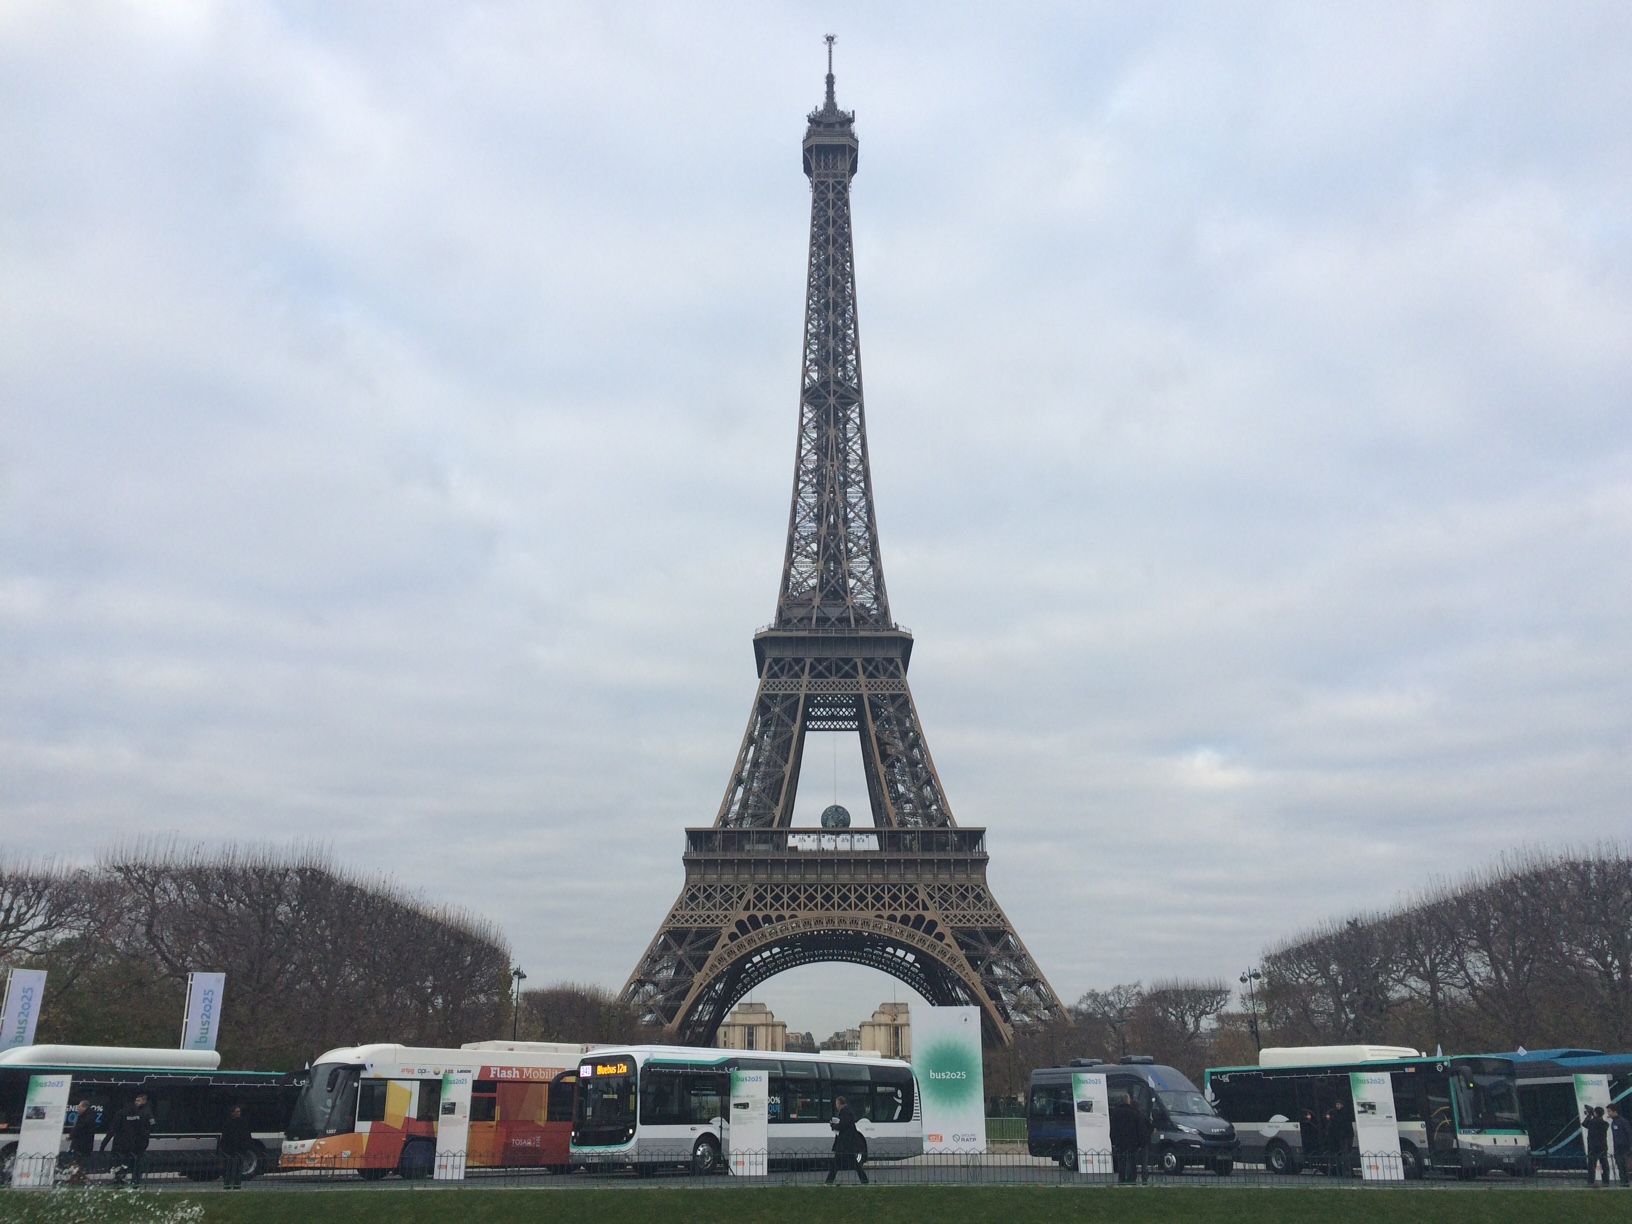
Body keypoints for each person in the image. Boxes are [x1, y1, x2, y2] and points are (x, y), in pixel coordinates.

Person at [105, 1092, 155, 1186]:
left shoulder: (146, 1112)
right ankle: (126, 1179)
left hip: (140, 1142)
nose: (136, 1102)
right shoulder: (136, 1111)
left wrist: (144, 1135)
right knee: (128, 1161)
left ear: (144, 1101)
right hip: (134, 1142)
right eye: (136, 1100)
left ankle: (134, 1180)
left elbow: (150, 1125)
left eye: (138, 1100)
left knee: (136, 1162)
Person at [825, 1094, 868, 1184]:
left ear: (840, 1104)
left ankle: (828, 1182)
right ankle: (864, 1180)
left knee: (836, 1163)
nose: (836, 1106)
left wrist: (834, 1125)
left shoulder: (845, 1112)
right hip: (846, 1143)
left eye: (837, 1104)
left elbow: (843, 1125)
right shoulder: (847, 1111)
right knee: (853, 1164)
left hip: (845, 1143)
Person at [218, 1103, 253, 1190]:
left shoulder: (243, 1123)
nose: (238, 1113)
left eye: (239, 1112)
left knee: (238, 1168)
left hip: (240, 1149)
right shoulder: (228, 1123)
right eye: (237, 1112)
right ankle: (227, 1185)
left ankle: (237, 1185)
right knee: (228, 1168)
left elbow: (247, 1136)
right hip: (230, 1150)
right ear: (232, 1113)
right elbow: (225, 1137)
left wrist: (245, 1147)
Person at [1109, 1091, 1142, 1184]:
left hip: (1120, 1140)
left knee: (1121, 1160)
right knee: (1132, 1161)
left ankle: (1121, 1178)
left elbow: (1113, 1127)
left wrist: (1113, 1140)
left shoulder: (1116, 1112)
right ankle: (1131, 1178)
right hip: (1132, 1140)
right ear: (1129, 1101)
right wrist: (1139, 1141)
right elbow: (1138, 1128)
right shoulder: (1134, 1113)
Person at [63, 1100, 98, 1184]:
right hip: (85, 1143)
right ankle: (76, 1178)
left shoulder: (84, 1117)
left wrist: (71, 1136)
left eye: (79, 1107)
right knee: (78, 1162)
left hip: (80, 1143)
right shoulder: (90, 1116)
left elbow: (79, 1128)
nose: (77, 1109)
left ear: (84, 1107)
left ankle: (78, 1179)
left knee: (76, 1161)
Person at [1324, 1098, 1354, 1177]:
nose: (1337, 1106)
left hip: (1346, 1136)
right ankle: (1345, 1171)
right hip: (1341, 1136)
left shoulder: (1344, 1113)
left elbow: (1343, 1124)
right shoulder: (1337, 1113)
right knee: (1343, 1153)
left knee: (1345, 1153)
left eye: (1338, 1104)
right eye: (1336, 1104)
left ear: (1342, 1105)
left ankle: (1348, 1171)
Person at [1584, 1105, 1611, 1186]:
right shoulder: (1605, 1123)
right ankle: (1606, 1181)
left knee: (1592, 1166)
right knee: (1604, 1165)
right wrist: (1593, 1115)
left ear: (1595, 1113)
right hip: (1603, 1146)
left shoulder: (1592, 1122)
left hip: (1592, 1147)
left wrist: (1589, 1115)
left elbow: (1585, 1123)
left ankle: (1590, 1181)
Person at [1608, 1104, 1630, 1187]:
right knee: (1620, 1167)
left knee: (1625, 1167)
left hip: (1625, 1149)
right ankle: (1623, 1183)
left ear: (1615, 1111)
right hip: (1617, 1149)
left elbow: (1629, 1134)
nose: (1608, 1114)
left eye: (1609, 1111)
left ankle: (1626, 1183)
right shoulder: (1613, 1122)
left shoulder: (1623, 1122)